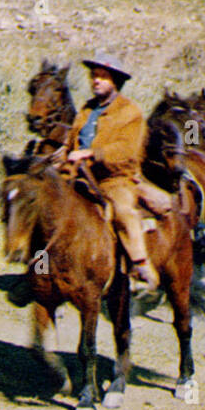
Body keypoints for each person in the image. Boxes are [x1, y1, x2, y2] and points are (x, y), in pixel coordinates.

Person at [64, 53, 168, 291]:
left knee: (123, 211)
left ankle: (141, 268)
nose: (96, 81)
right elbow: (73, 142)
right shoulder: (86, 109)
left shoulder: (130, 112)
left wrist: (91, 153)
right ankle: (38, 268)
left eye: (103, 77)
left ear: (116, 83)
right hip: (78, 174)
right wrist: (62, 153)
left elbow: (126, 151)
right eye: (94, 76)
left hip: (115, 179)